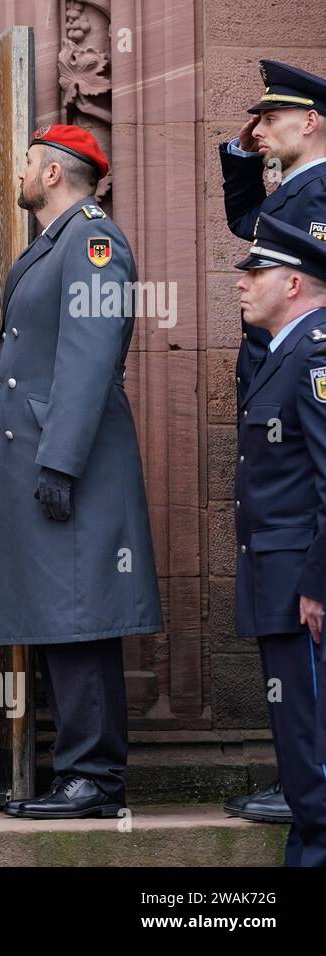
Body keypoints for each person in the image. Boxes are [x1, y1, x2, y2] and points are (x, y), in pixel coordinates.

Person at [0, 125, 163, 819]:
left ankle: (93, 778)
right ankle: (80, 772)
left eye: (29, 162)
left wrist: (59, 460)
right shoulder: (54, 242)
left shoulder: (95, 240)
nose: (21, 173)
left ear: (55, 173)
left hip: (73, 457)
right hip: (48, 451)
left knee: (83, 616)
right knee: (63, 615)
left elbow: (91, 357)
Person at [219, 59, 326, 828]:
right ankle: (300, 781)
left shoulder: (322, 194)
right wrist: (238, 161)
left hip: (299, 383)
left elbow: (294, 262)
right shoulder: (293, 191)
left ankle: (309, 791)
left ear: (311, 121)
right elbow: (253, 235)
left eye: (272, 120)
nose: (261, 131)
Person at [230, 212, 326, 867]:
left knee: (312, 746)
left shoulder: (314, 353)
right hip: (281, 579)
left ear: (294, 283)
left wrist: (319, 586)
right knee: (299, 742)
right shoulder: (283, 351)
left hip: (305, 589)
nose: (241, 284)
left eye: (255, 272)